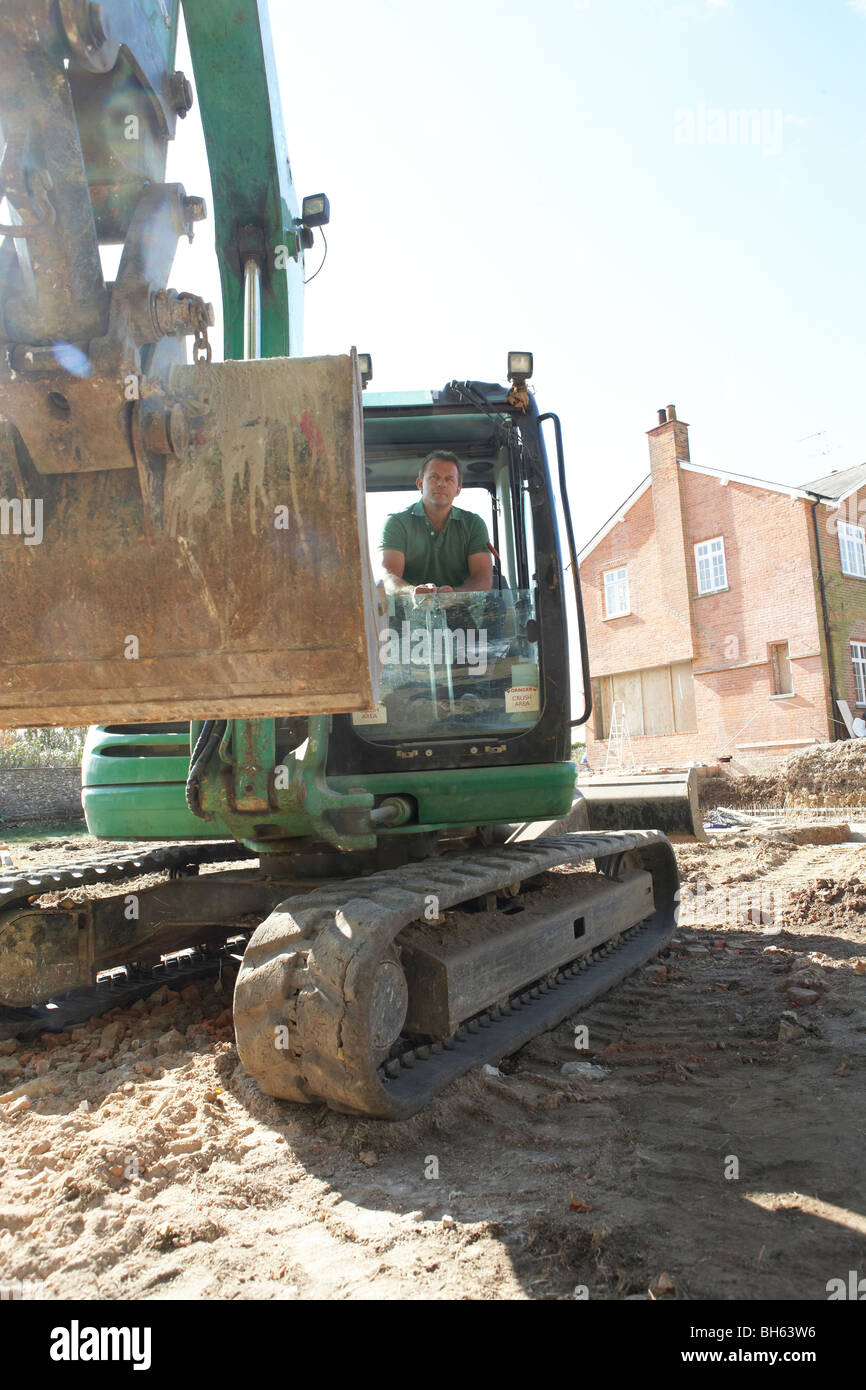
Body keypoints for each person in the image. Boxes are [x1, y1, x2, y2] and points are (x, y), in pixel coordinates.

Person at [379, 451, 493, 599]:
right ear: (420, 484)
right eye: (435, 477)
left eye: (449, 479)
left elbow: (483, 579)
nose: (441, 484)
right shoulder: (397, 523)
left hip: (460, 612)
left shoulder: (474, 524)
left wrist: (455, 595)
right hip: (408, 617)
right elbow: (389, 578)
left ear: (458, 489)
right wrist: (413, 592)